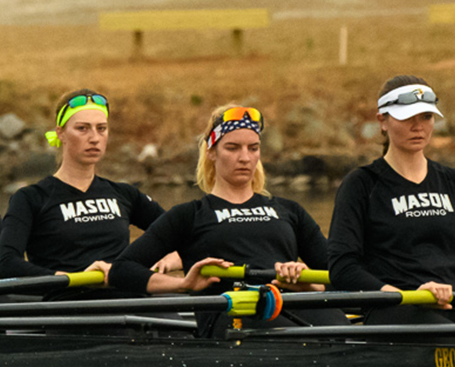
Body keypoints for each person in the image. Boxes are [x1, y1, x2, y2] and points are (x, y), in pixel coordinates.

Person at [326, 75, 455, 325]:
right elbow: (342, 267)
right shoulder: (361, 185)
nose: (418, 127)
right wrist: (402, 296)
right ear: (382, 121)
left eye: (426, 117)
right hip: (396, 311)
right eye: (407, 117)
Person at [116, 105, 329, 304]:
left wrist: (312, 285)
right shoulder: (188, 216)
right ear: (211, 152)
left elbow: (342, 272)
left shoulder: (290, 211)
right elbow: (122, 270)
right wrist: (183, 284)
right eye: (232, 148)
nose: (245, 158)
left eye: (253, 148)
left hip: (297, 315)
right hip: (232, 320)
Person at [0, 89, 169, 294]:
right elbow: (6, 264)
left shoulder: (125, 194)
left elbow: (188, 238)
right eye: (82, 129)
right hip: (70, 304)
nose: (94, 138)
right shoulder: (30, 198)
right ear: (61, 133)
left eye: (101, 129)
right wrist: (73, 279)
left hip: (129, 301)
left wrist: (166, 261)